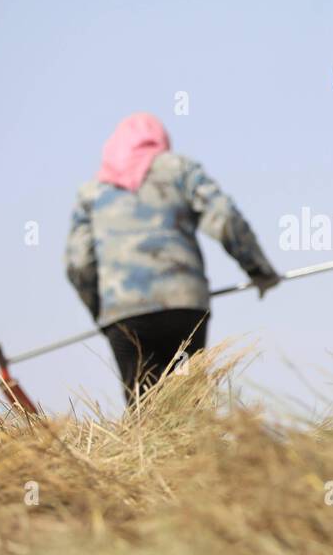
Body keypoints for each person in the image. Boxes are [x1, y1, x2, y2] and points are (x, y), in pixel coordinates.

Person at [64, 112, 280, 405]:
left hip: (124, 314)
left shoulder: (92, 192)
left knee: (144, 410)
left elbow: (78, 263)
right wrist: (258, 269)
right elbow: (225, 217)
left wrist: (101, 312)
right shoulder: (179, 169)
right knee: (189, 406)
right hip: (184, 305)